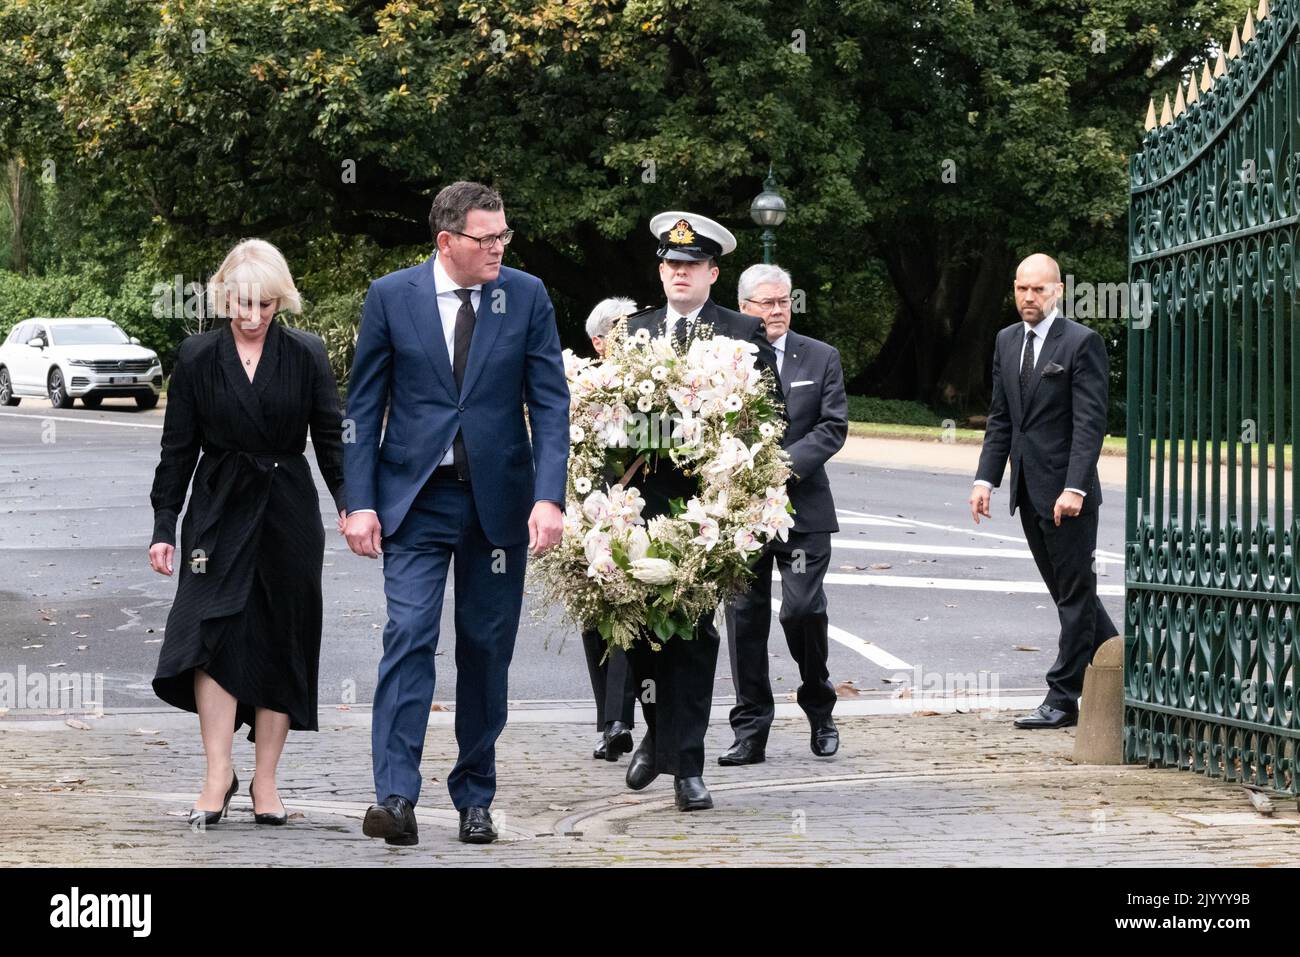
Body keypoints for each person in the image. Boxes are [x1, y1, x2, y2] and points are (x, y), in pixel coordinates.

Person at [342, 181, 568, 846]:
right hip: (415, 500)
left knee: (486, 649)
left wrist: (549, 496)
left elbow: (550, 403)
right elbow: (363, 407)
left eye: (503, 236)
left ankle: (475, 795)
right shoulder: (392, 296)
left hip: (498, 504)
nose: (499, 248)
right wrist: (360, 501)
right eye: (485, 238)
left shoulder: (526, 296)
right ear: (446, 241)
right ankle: (395, 796)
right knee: (409, 635)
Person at [148, 238, 346, 828]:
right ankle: (218, 773)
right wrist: (164, 525)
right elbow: (177, 449)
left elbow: (331, 440)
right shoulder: (197, 356)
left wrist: (351, 506)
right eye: (242, 303)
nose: (253, 316)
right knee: (208, 630)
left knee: (281, 636)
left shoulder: (307, 354)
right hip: (217, 509)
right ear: (223, 297)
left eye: (264, 304)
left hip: (287, 511)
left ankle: (265, 779)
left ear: (280, 301)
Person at [620, 211, 779, 811]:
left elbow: (771, 418)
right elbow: (612, 422)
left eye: (692, 264)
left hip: (711, 504)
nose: (680, 273)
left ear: (713, 272)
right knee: (639, 633)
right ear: (660, 271)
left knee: (692, 634)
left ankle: (686, 764)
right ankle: (657, 733)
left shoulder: (742, 331)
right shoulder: (635, 331)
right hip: (643, 503)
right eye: (671, 264)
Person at [970, 253, 1117, 729]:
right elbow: (1002, 418)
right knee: (1071, 594)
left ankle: (1063, 697)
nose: (1028, 297)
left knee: (1074, 595)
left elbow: (1089, 423)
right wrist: (985, 480)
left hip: (1067, 497)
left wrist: (1075, 487)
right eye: (1021, 288)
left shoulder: (1081, 342)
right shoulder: (1006, 340)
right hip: (1028, 492)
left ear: (1057, 291)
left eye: (1038, 289)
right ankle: (1129, 671)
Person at [722, 263, 848, 765]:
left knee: (802, 610)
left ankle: (819, 704)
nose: (777, 311)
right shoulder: (725, 356)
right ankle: (750, 728)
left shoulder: (820, 356)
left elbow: (832, 427)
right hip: (741, 512)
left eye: (783, 302)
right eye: (766, 303)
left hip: (803, 509)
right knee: (744, 618)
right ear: (744, 308)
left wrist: (778, 467)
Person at [579, 297, 639, 761]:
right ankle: (608, 722)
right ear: (599, 343)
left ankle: (618, 721)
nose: (633, 338)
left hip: (637, 512)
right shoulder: (580, 387)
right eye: (621, 331)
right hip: (585, 509)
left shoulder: (656, 384)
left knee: (626, 612)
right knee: (591, 617)